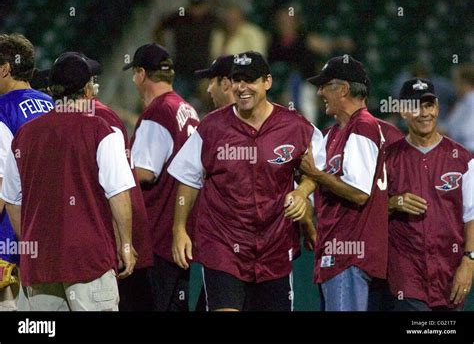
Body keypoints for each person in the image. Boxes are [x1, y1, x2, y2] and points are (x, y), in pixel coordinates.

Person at [169, 51, 323, 311]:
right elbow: (188, 179)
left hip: (274, 245)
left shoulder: (295, 126)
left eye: (250, 80)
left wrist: (302, 192)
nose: (242, 87)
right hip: (223, 244)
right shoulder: (212, 127)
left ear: (267, 82)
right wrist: (179, 229)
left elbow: (315, 172)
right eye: (237, 80)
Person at [0, 53, 136, 311]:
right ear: (87, 90)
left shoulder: (24, 136)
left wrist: (31, 240)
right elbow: (118, 194)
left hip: (40, 265)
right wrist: (126, 244)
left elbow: (13, 202)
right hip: (89, 260)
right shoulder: (100, 130)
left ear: (51, 91)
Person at [298, 55, 388, 311]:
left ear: (344, 89)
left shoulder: (363, 126)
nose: (319, 92)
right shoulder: (336, 132)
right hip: (336, 251)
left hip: (349, 252)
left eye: (325, 85)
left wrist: (315, 174)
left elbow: (359, 194)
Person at [386, 78, 474, 311]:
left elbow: (472, 217)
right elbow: (368, 210)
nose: (423, 113)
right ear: (403, 112)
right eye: (415, 106)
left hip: (450, 271)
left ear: (436, 107)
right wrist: (393, 203)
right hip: (407, 273)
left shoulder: (463, 159)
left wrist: (469, 261)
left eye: (428, 105)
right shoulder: (387, 158)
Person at [124, 43, 200, 311]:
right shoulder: (187, 109)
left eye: (134, 73)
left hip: (155, 238)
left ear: (141, 74)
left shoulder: (158, 111)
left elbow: (145, 172)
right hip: (179, 236)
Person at [0, 33, 54, 311]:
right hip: (52, 235)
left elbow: (1, 183)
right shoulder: (53, 105)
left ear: (5, 69)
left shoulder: (2, 110)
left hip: (9, 240)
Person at [444, 64, 474, 153]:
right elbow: (449, 125)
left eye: (455, 81)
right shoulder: (463, 101)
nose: (454, 85)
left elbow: (467, 132)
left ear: (464, 82)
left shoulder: (471, 101)